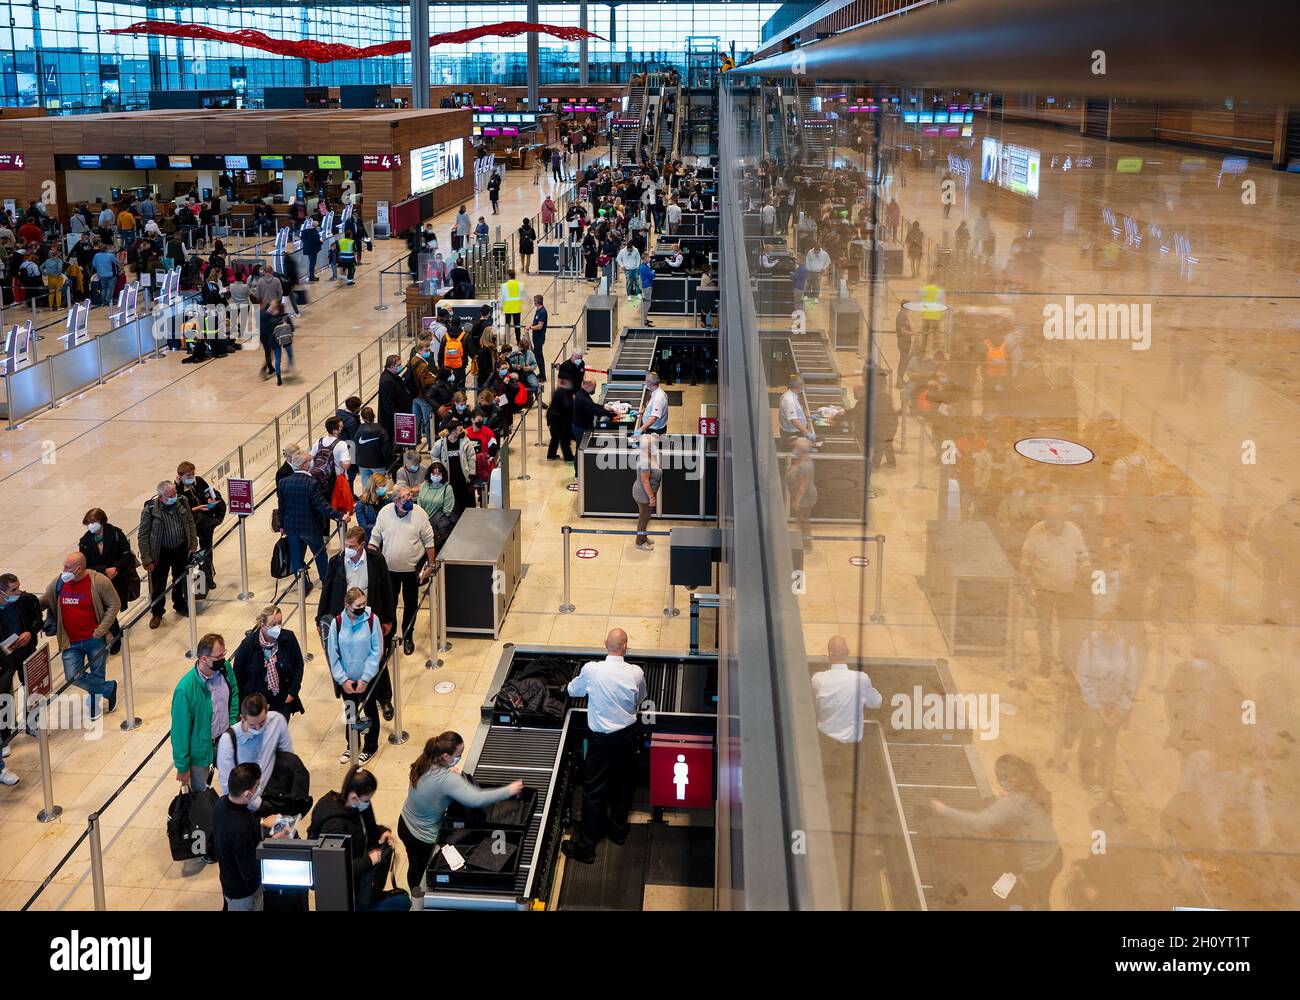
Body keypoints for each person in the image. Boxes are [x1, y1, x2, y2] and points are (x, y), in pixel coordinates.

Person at [398, 732, 524, 895]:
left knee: (414, 865)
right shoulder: (445, 780)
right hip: (423, 838)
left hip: (405, 824)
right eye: (458, 755)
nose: (460, 758)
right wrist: (509, 790)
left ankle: (413, 890)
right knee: (423, 873)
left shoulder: (425, 760)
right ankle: (418, 901)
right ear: (445, 756)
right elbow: (478, 799)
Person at [930, 755, 1061, 909]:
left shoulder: (1012, 803)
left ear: (1005, 780)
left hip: (1035, 866)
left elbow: (978, 822)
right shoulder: (1036, 789)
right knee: (1041, 898)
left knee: (1029, 899)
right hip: (1054, 857)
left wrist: (945, 810)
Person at [561, 629, 646, 864]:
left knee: (594, 792)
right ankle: (618, 833)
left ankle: (587, 848)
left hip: (600, 741)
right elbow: (640, 699)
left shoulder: (592, 670)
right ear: (626, 646)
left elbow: (572, 690)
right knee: (624, 785)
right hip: (628, 737)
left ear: (605, 645)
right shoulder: (636, 673)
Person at [318, 524, 396, 718]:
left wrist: (388, 619)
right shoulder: (336, 561)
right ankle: (351, 704)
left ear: (362, 545)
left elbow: (387, 590)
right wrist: (321, 619)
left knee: (377, 656)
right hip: (344, 618)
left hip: (370, 617)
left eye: (352, 545)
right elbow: (326, 590)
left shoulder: (376, 560)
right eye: (346, 545)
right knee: (346, 655)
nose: (348, 549)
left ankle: (383, 698)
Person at [308, 765, 409, 910]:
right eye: (366, 800)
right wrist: (369, 860)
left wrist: (380, 831)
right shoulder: (334, 826)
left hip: (361, 883)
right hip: (346, 894)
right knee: (402, 903)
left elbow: (366, 828)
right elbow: (335, 870)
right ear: (354, 797)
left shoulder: (357, 804)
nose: (368, 803)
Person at [40, 553, 120, 719]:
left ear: (79, 569)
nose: (64, 570)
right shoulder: (59, 582)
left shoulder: (99, 581)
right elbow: (43, 602)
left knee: (97, 673)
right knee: (73, 676)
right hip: (70, 642)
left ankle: (94, 705)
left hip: (94, 639)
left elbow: (114, 604)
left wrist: (101, 630)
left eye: (67, 568)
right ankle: (108, 688)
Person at [1075, 614, 1142, 810]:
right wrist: (1096, 707)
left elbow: (1131, 682)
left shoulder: (1128, 650)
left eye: (1110, 628)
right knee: (1089, 741)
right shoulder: (1088, 646)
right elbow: (1084, 678)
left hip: (1115, 707)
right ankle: (1088, 779)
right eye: (1102, 628)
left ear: (1117, 629)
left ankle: (1107, 783)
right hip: (1093, 705)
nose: (1106, 632)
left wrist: (1119, 708)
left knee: (1109, 746)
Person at [1020, 501, 1090, 676]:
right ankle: (1046, 662)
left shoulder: (1074, 532)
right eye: (1047, 517)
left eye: (1055, 517)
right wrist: (1026, 585)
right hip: (1043, 591)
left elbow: (1084, 559)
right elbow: (1025, 560)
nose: (1050, 521)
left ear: (1063, 518)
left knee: (1067, 630)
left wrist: (1084, 579)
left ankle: (1065, 662)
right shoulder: (1036, 531)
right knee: (1043, 628)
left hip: (1067, 591)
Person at [368, 484, 436, 655]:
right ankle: (390, 637)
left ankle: (408, 636)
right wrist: (369, 559)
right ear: (395, 500)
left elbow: (429, 540)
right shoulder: (385, 513)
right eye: (404, 497)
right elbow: (375, 537)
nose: (408, 499)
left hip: (412, 570)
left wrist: (431, 565)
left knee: (410, 603)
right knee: (390, 604)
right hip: (389, 570)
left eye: (409, 495)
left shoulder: (419, 513)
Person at [171, 633, 239, 794]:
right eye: (218, 656)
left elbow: (234, 692)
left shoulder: (225, 669)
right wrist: (182, 766)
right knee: (200, 795)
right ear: (203, 659)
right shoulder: (185, 690)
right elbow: (179, 733)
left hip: (225, 739)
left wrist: (232, 720)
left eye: (224, 654)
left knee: (235, 785)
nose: (223, 659)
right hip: (200, 750)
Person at [213, 762, 287, 910]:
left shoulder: (220, 804)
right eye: (257, 786)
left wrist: (262, 823)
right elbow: (249, 871)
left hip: (228, 880)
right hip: (244, 894)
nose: (259, 789)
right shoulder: (241, 828)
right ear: (247, 794)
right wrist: (273, 842)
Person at [327, 586, 383, 764]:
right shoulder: (337, 623)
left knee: (370, 711)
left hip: (367, 678)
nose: (362, 608)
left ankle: (370, 747)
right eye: (358, 605)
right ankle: (352, 745)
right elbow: (333, 654)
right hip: (347, 680)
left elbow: (377, 651)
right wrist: (343, 680)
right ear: (347, 605)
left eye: (364, 604)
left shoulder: (372, 620)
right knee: (351, 712)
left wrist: (365, 678)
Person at [276, 448, 348, 587]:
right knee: (320, 554)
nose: (312, 462)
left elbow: (282, 506)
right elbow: (322, 506)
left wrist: (282, 526)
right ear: (303, 465)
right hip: (310, 527)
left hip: (292, 527)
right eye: (309, 461)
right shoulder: (312, 483)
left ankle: (302, 584)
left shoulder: (283, 482)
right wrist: (340, 516)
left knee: (296, 557)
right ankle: (325, 581)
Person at [215, 692, 294, 813]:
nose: (258, 729)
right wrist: (258, 805)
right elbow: (229, 788)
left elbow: (289, 759)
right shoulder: (229, 741)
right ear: (242, 718)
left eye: (262, 723)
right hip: (245, 805)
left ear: (267, 709)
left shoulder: (277, 722)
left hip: (272, 795)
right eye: (252, 725)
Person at [138, 481, 199, 629]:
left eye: (175, 494)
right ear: (160, 496)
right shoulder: (150, 510)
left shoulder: (181, 502)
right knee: (159, 584)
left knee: (179, 578)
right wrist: (146, 558)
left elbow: (190, 522)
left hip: (180, 549)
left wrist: (193, 542)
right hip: (161, 552)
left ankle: (179, 603)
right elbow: (143, 535)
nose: (174, 497)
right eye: (170, 496)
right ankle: (157, 612)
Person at [77, 508, 136, 655]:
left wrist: (115, 568)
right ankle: (115, 636)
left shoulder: (115, 533)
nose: (91, 526)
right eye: (88, 523)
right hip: (99, 581)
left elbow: (127, 555)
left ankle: (114, 635)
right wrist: (104, 570)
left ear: (101, 521)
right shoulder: (85, 541)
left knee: (112, 607)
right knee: (105, 609)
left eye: (93, 522)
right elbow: (85, 564)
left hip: (117, 579)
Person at [231, 606, 305, 720]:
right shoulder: (248, 645)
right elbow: (238, 677)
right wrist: (241, 709)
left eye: (280, 623)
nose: (277, 628)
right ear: (262, 624)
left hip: (281, 701)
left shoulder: (288, 638)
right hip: (256, 706)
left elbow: (298, 664)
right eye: (273, 624)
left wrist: (292, 692)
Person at [811, 635, 883, 743]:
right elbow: (877, 702)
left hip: (824, 742)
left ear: (829, 654)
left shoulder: (817, 679)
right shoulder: (861, 679)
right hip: (852, 746)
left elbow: (812, 707)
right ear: (848, 653)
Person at [430, 421, 478, 515]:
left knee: (465, 503)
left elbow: (471, 457)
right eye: (460, 430)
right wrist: (438, 466)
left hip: (463, 478)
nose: (462, 431)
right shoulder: (441, 444)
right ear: (453, 432)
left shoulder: (465, 441)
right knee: (452, 502)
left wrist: (472, 474)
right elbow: (433, 455)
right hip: (449, 479)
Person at [378, 355, 414, 457]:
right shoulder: (388, 381)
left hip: (399, 417)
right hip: (393, 422)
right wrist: (399, 419)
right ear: (392, 366)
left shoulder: (391, 376)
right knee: (394, 446)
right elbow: (388, 405)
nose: (400, 366)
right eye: (399, 365)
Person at [785, 437, 818, 546]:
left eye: (796, 447)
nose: (794, 449)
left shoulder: (805, 466)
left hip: (805, 499)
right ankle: (802, 541)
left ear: (801, 450)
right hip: (801, 497)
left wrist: (797, 501)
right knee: (801, 521)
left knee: (803, 522)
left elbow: (803, 485)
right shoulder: (802, 459)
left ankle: (806, 545)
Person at [352, 406, 390, 493]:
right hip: (378, 463)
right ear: (374, 416)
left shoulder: (359, 431)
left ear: (363, 418)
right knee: (380, 487)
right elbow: (386, 451)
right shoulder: (381, 431)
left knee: (366, 487)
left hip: (363, 463)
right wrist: (388, 464)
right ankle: (380, 504)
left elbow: (355, 446)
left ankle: (367, 503)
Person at [546, 378, 575, 462]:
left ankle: (551, 455)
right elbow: (568, 406)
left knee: (555, 437)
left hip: (552, 417)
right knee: (564, 438)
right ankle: (568, 457)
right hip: (558, 419)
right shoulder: (564, 393)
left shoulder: (558, 391)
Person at [779, 374, 815, 442]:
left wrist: (808, 416)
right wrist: (807, 433)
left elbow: (799, 406)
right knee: (798, 449)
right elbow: (794, 420)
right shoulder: (789, 400)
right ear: (799, 386)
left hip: (798, 430)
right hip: (792, 432)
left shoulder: (793, 394)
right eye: (803, 385)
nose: (804, 387)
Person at [634, 371, 669, 437]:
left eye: (646, 381)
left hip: (654, 431)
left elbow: (653, 418)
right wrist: (640, 412)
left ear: (650, 383)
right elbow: (650, 407)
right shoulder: (655, 392)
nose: (645, 383)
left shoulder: (658, 398)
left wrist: (640, 430)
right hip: (651, 428)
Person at [527, 295, 548, 383]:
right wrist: (530, 325)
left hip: (539, 337)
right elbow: (535, 321)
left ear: (536, 302)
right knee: (538, 355)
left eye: (534, 301)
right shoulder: (538, 310)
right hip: (536, 337)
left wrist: (531, 327)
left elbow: (539, 326)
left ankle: (543, 376)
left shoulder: (542, 312)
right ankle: (541, 373)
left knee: (538, 356)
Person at [500, 269, 523, 340]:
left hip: (508, 309)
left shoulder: (504, 285)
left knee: (507, 325)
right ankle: (518, 340)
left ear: (509, 276)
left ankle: (507, 339)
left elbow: (503, 297)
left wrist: (501, 305)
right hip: (517, 308)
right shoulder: (520, 284)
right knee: (517, 325)